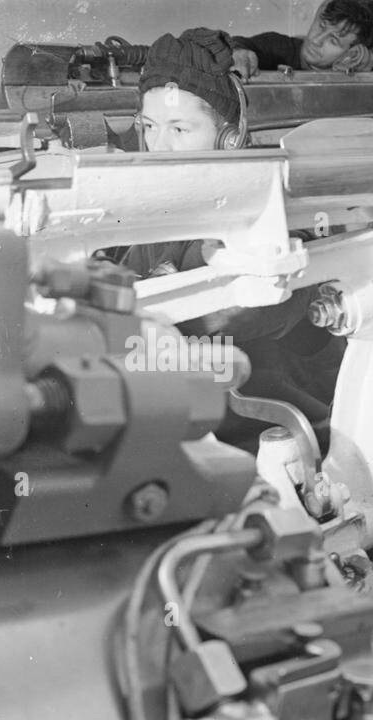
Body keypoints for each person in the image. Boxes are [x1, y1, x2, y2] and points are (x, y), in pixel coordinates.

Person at [123, 28, 336, 443]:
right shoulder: (156, 200)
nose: (157, 146)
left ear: (230, 138)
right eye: (149, 126)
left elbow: (259, 306)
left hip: (251, 406)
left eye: (179, 130)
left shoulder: (268, 210)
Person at [229, 0, 373, 78]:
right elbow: (240, 44)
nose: (316, 40)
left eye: (334, 40)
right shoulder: (281, 48)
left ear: (354, 53)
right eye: (322, 25)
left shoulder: (357, 67)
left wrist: (362, 73)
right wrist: (237, 52)